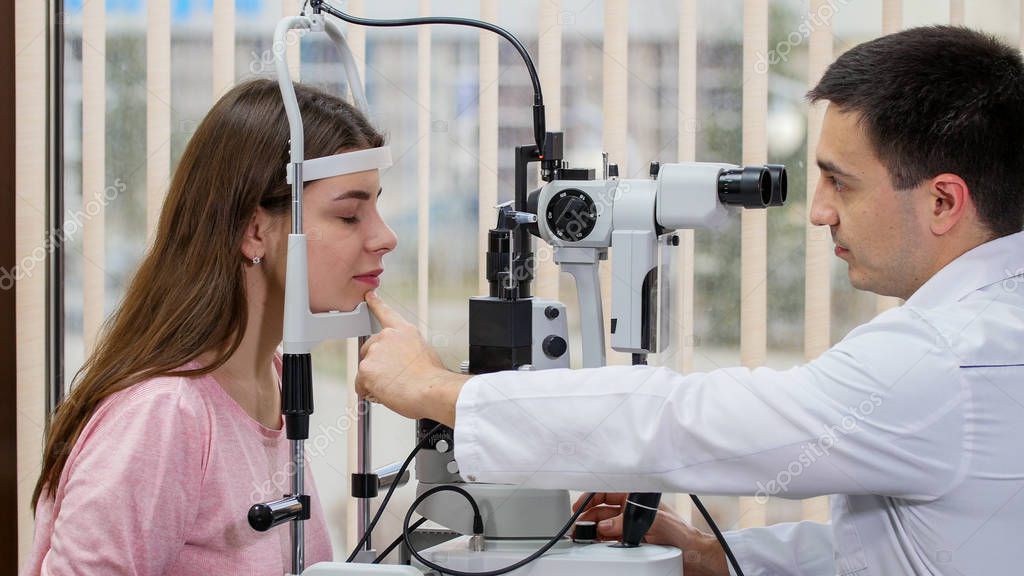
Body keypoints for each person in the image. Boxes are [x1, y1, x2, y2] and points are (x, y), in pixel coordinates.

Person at [355, 26, 1024, 575]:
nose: (819, 212)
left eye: (840, 183)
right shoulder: (990, 329)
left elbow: (683, 421)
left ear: (943, 201)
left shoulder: (946, 359)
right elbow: (904, 549)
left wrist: (434, 388)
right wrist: (716, 558)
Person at [21, 79, 397, 575]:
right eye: (349, 215)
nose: (385, 237)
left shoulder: (272, 378)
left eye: (375, 208)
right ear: (254, 230)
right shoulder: (164, 413)